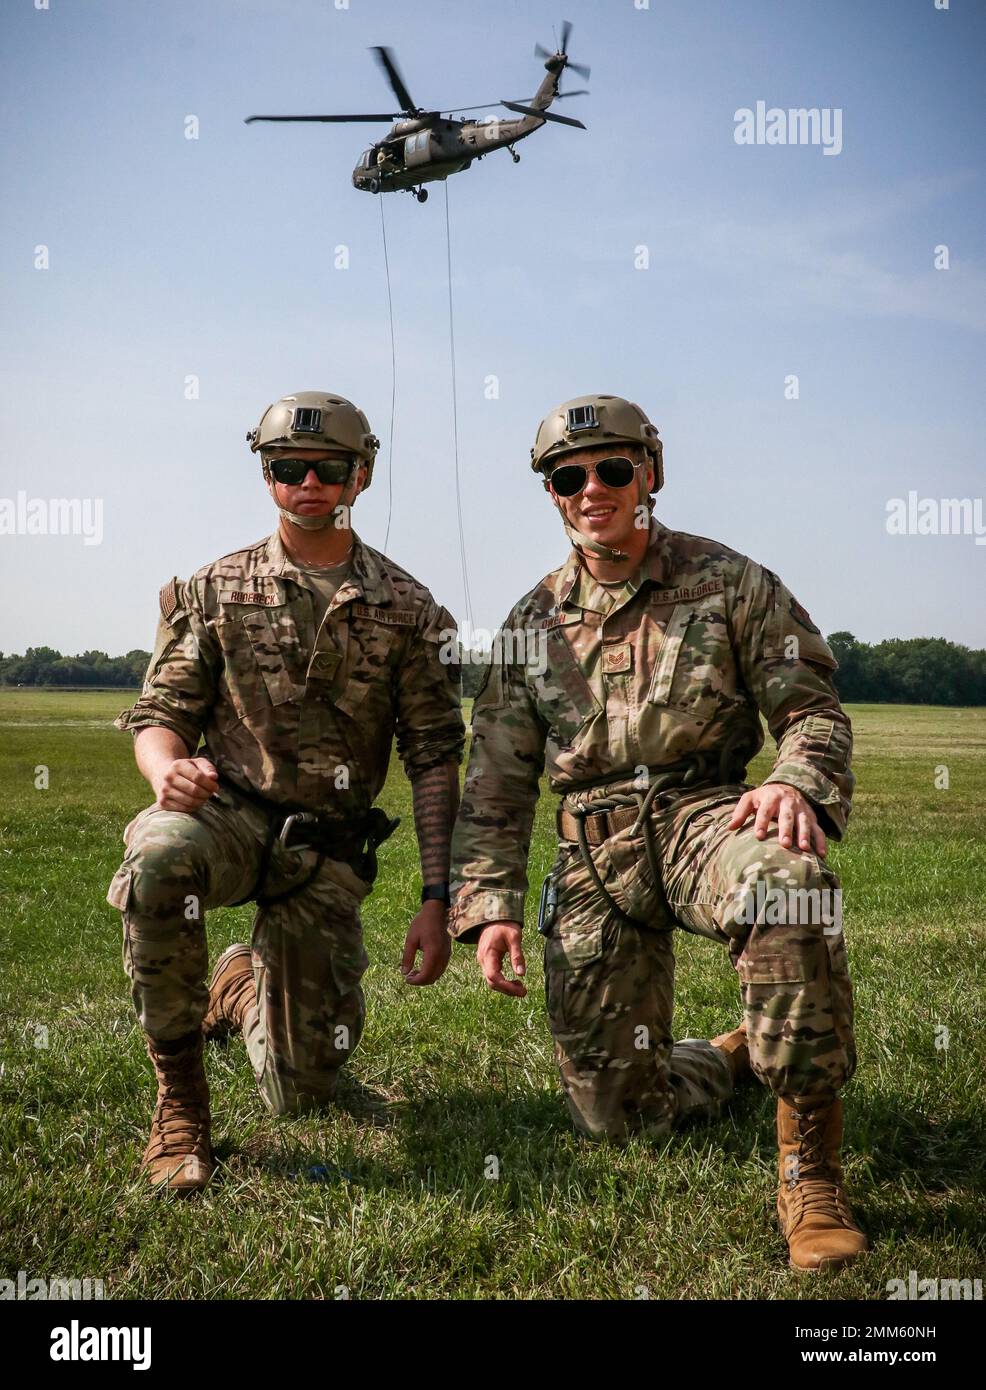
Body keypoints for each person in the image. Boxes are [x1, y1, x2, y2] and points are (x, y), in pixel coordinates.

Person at [449, 393, 868, 1271]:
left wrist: (796, 782)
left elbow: (812, 708)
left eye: (613, 468)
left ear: (651, 473)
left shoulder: (731, 582)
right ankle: (734, 1057)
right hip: (592, 855)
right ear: (554, 494)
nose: (591, 487)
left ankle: (811, 1170)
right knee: (617, 1120)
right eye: (569, 476)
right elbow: (494, 780)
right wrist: (490, 905)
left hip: (705, 819)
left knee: (786, 886)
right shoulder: (530, 627)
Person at [108, 391, 464, 1192]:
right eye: (287, 467)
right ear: (266, 474)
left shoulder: (408, 610)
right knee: (158, 853)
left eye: (328, 468)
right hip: (228, 817)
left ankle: (239, 987)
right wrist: (166, 768)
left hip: (326, 850)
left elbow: (435, 755)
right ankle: (181, 1109)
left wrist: (438, 898)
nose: (308, 482)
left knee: (302, 1094)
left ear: (360, 476)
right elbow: (159, 714)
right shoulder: (212, 589)